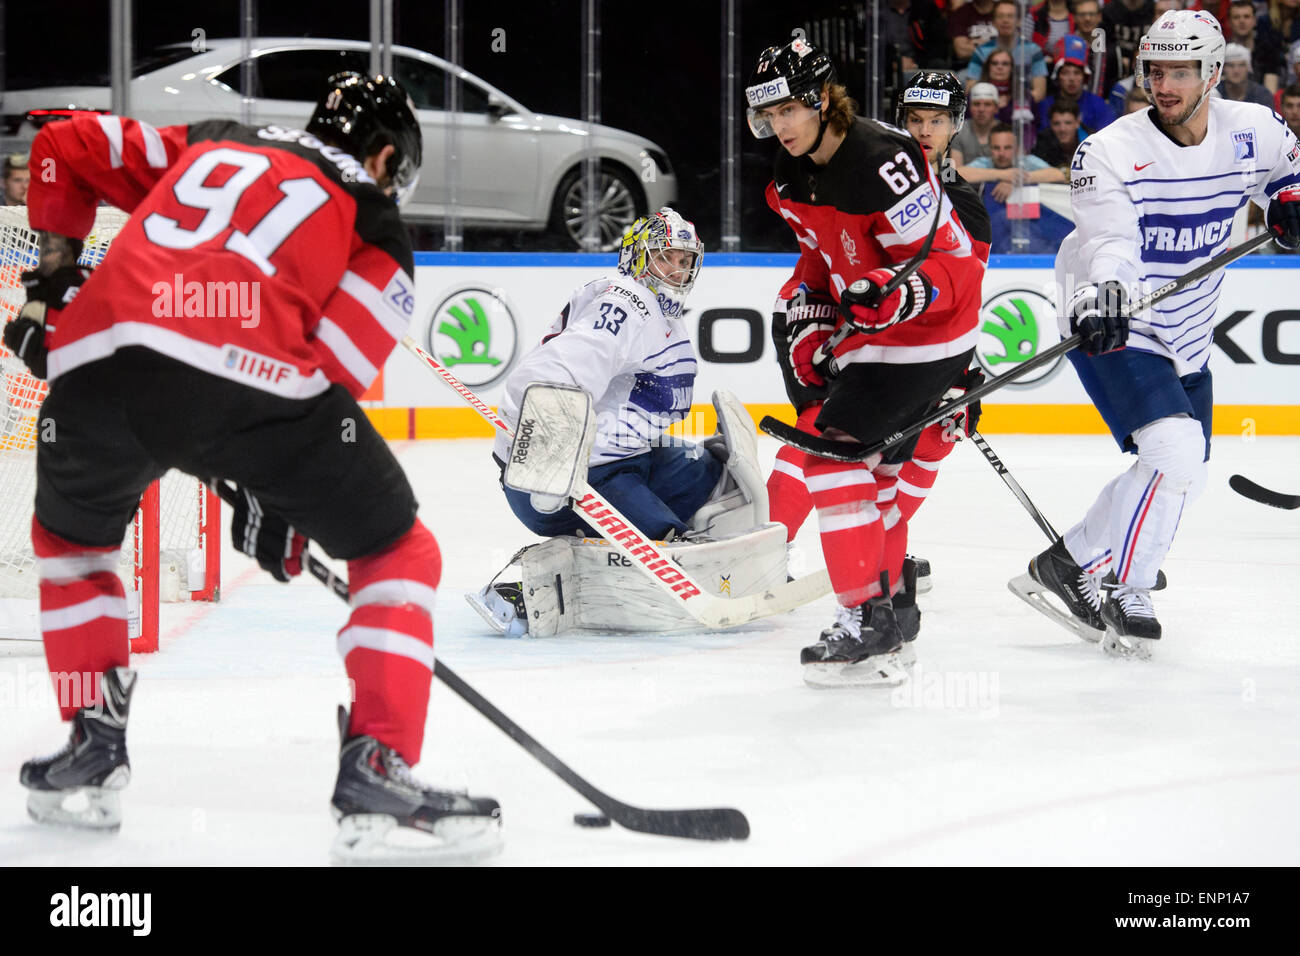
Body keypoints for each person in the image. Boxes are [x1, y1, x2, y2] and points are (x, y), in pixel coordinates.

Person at [2, 73, 503, 862]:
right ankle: (379, 763)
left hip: (94, 364)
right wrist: (279, 491)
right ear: (381, 159)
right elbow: (328, 374)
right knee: (401, 553)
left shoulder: (213, 139)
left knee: (72, 550)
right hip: (249, 385)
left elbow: (64, 141)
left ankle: (88, 752)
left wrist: (51, 284)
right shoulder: (377, 224)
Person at [1016, 9, 1300, 657]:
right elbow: (1109, 241)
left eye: (1181, 71)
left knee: (1185, 471)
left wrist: (1291, 202)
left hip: (1190, 319)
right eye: (1155, 71)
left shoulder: (1253, 129)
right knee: (1172, 448)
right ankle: (1128, 584)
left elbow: (1292, 172)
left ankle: (1070, 561)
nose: (1165, 85)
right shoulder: (1108, 150)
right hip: (1115, 307)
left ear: (1212, 74)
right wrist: (1108, 297)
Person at [745, 41, 985, 687]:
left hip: (932, 333)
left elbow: (952, 267)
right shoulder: (792, 176)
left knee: (834, 454)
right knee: (870, 475)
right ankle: (890, 608)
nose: (782, 126)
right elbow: (823, 263)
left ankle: (866, 616)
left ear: (823, 99)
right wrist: (812, 314)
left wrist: (902, 290)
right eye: (771, 113)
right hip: (879, 337)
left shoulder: (884, 161)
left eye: (792, 108)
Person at [468, 208, 775, 636]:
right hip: (573, 477)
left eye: (685, 261)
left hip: (629, 459)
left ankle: (692, 552)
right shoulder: (627, 301)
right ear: (636, 256)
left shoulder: (662, 318)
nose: (677, 270)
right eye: (665, 257)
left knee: (716, 473)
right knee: (672, 544)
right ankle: (546, 580)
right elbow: (549, 376)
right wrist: (546, 467)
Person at [966, 1, 1050, 102]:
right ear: (993, 22)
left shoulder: (1033, 51)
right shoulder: (981, 51)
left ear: (1019, 21)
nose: (1005, 20)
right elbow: (970, 89)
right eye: (1000, 16)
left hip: (1022, 108)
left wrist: (1010, 106)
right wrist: (994, 104)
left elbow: (1040, 92)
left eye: (1010, 16)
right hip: (987, 107)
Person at [1036, 34, 1118, 132]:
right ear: (1058, 77)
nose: (1071, 79)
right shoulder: (1045, 107)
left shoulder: (1099, 106)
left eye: (1077, 73)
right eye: (1065, 73)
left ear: (1084, 76)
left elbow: (1107, 139)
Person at [1227, 0, 1284, 89]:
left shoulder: (1268, 50)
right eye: (1236, 17)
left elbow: (1270, 91)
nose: (1242, 21)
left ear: (1255, 21)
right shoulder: (1221, 50)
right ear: (1229, 22)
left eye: (1246, 17)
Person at [950, 82, 1001, 164]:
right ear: (970, 107)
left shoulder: (1006, 133)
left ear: (996, 108)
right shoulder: (959, 130)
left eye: (987, 105)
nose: (981, 109)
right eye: (976, 104)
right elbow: (956, 171)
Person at [1033, 99, 1085, 168]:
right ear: (1050, 124)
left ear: (1077, 123)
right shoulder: (1042, 141)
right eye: (1056, 123)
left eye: (1068, 123)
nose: (1062, 129)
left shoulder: (1090, 139)